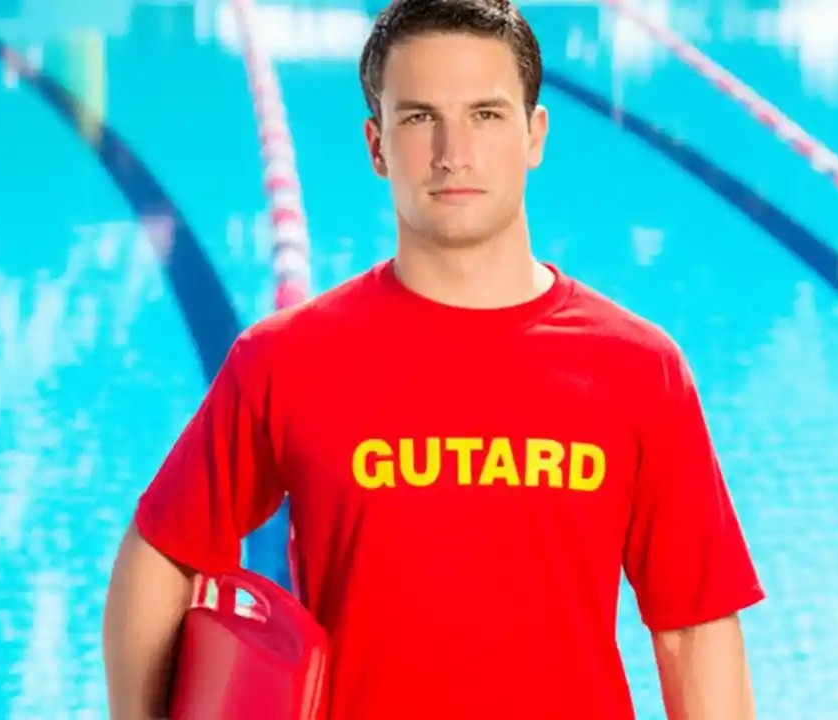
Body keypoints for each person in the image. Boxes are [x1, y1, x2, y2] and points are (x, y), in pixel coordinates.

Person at [101, 0, 765, 717]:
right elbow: (162, 551)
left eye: (486, 114)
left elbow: (693, 631)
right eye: (420, 118)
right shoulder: (285, 361)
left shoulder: (638, 369)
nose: (455, 152)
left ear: (534, 134)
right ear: (377, 144)